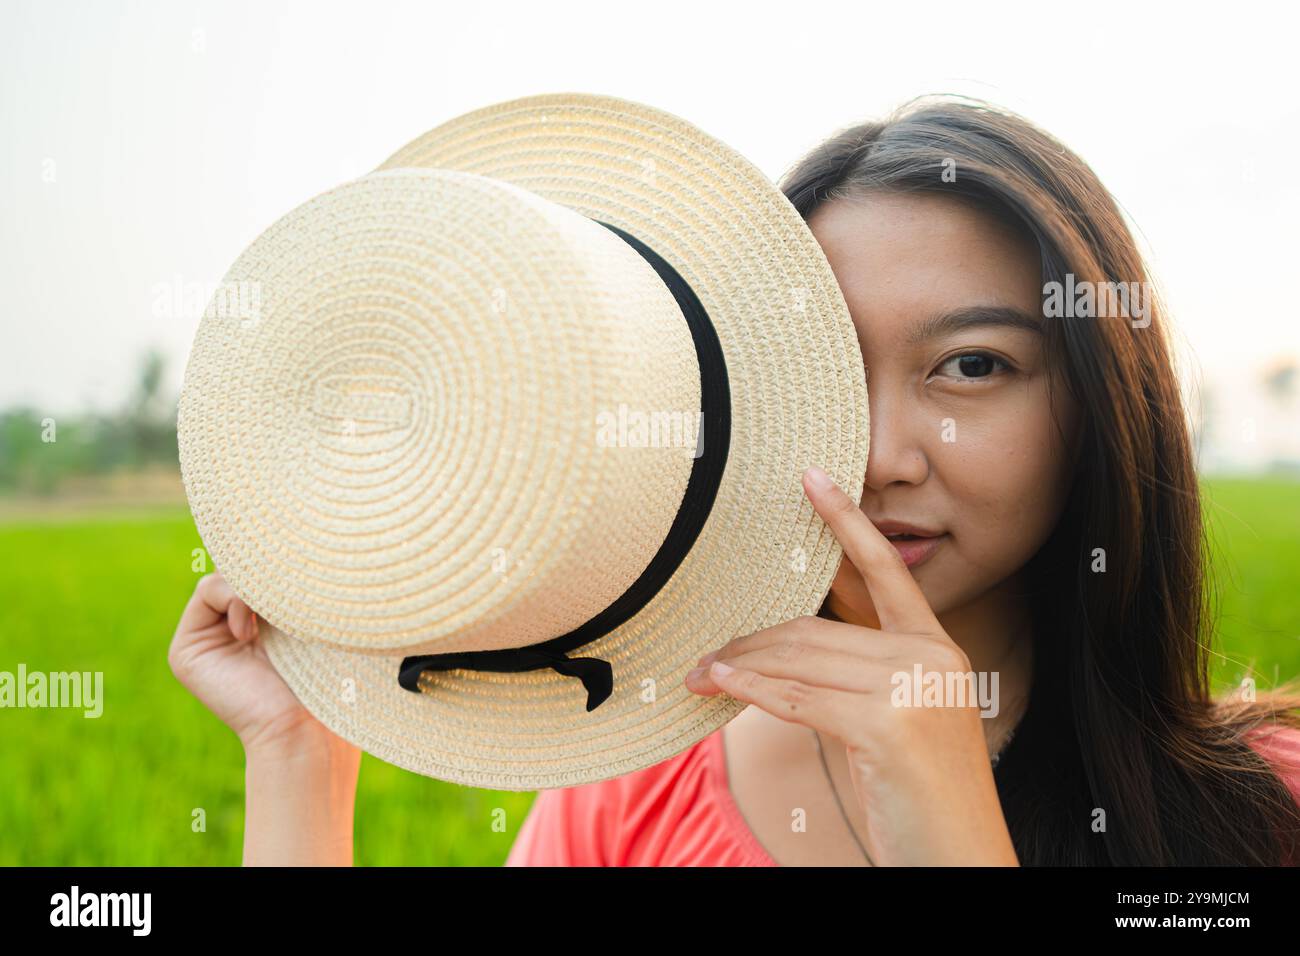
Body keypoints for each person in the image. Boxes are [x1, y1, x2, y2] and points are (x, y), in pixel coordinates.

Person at [169, 96, 1300, 866]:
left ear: (1099, 405)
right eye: (828, 370)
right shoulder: (621, 795)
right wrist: (297, 757)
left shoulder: (1262, 808)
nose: (879, 453)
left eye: (971, 365)